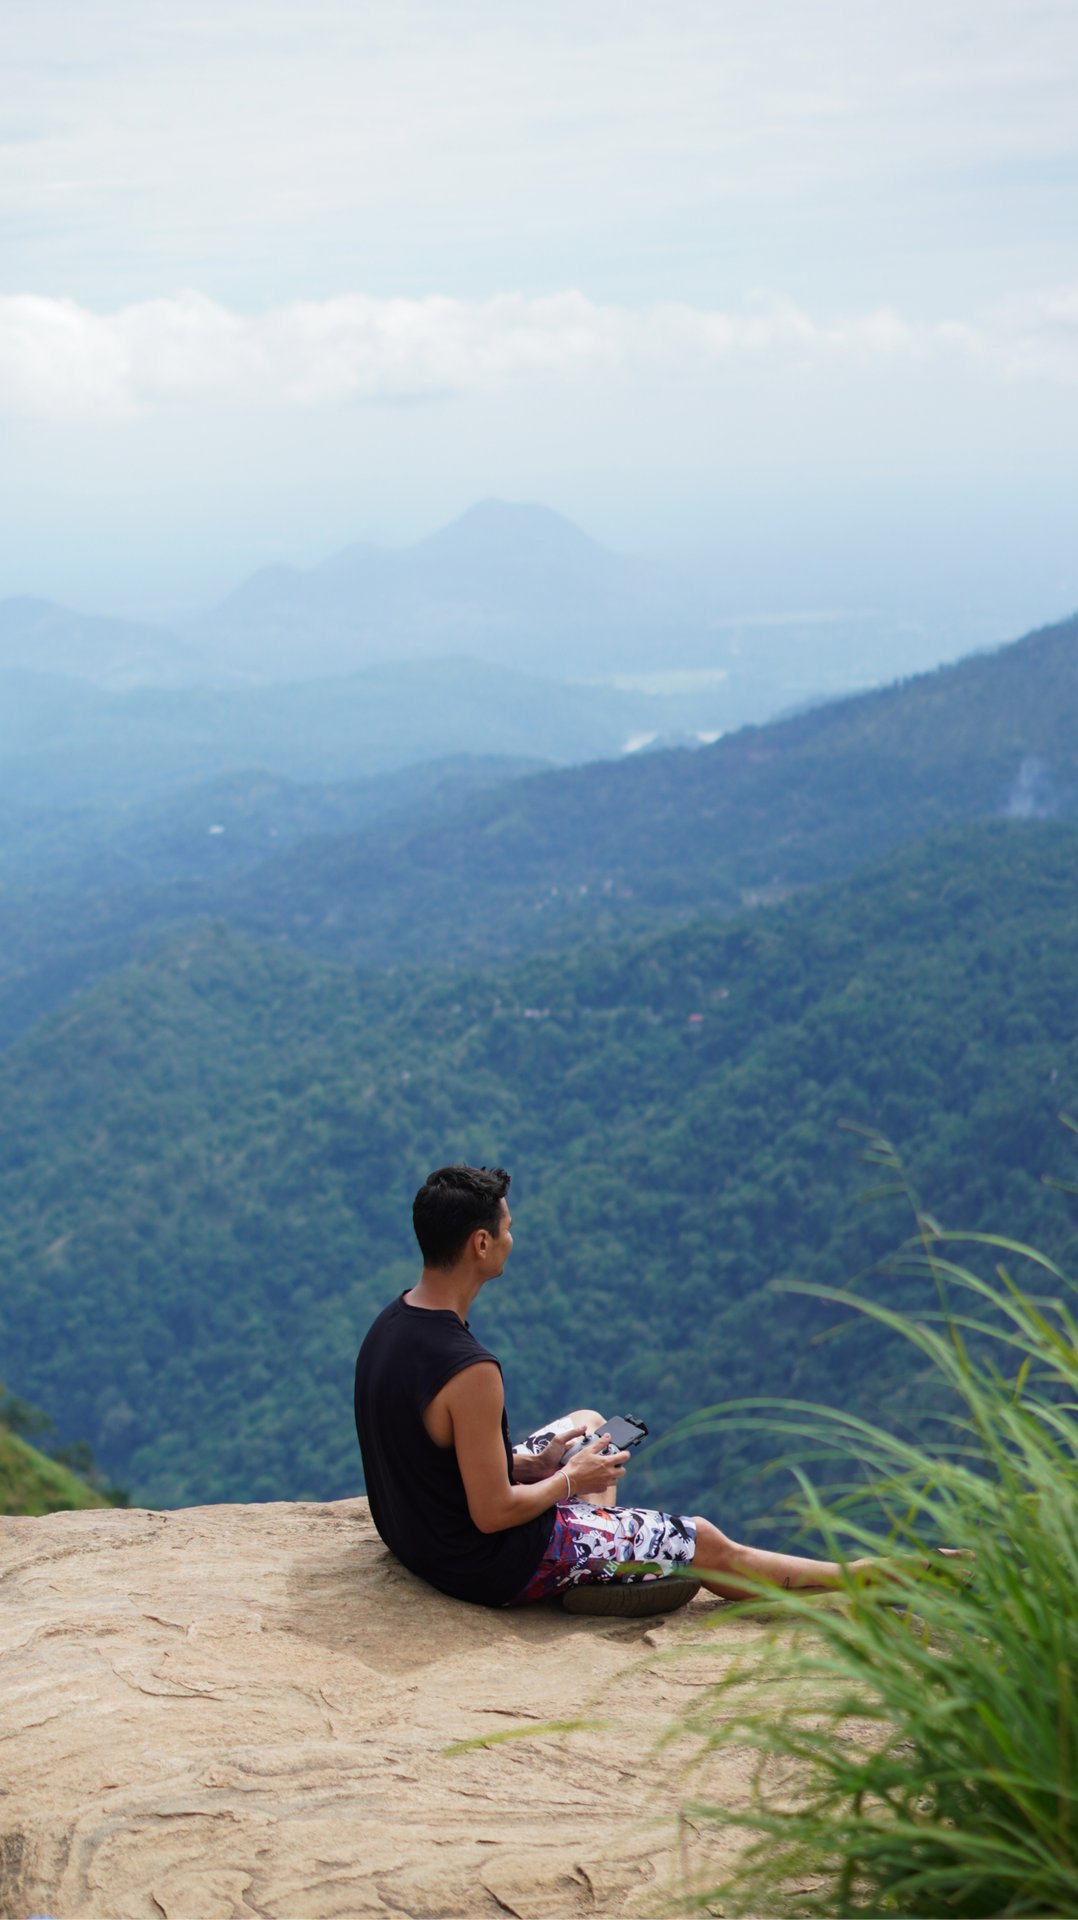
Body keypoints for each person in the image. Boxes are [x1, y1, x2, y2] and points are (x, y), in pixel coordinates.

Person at [353, 1164, 897, 1608]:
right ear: (480, 1243)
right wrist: (568, 1480)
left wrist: (533, 1465)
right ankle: (872, 1579)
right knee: (704, 1540)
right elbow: (492, 1514)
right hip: (486, 1564)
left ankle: (606, 1548)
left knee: (589, 1425)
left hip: (421, 1538)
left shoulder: (392, 1322)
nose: (511, 1238)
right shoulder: (471, 1371)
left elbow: (431, 1452)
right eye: (507, 1227)